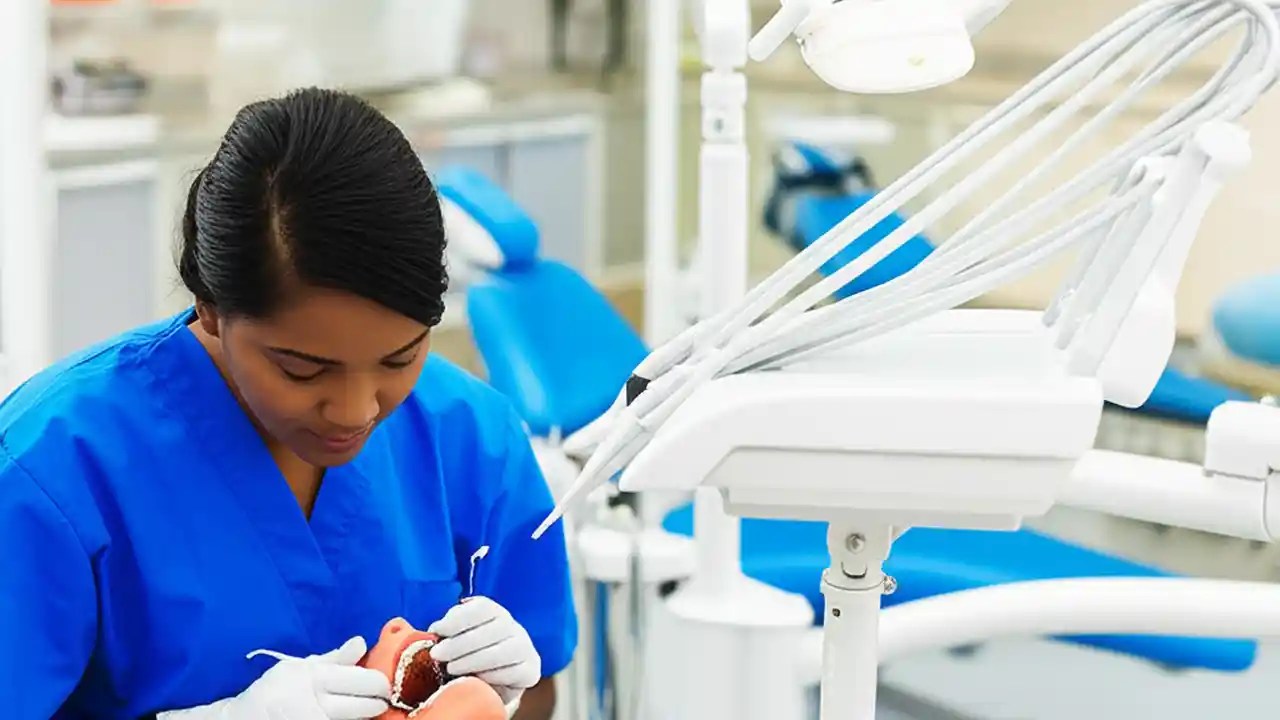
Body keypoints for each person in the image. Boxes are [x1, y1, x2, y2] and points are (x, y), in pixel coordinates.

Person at [0, 88, 576, 720]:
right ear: (212, 310)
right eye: (303, 369)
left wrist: (498, 691)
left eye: (399, 357)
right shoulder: (51, 471)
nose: (357, 410)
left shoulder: (471, 438)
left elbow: (538, 689)